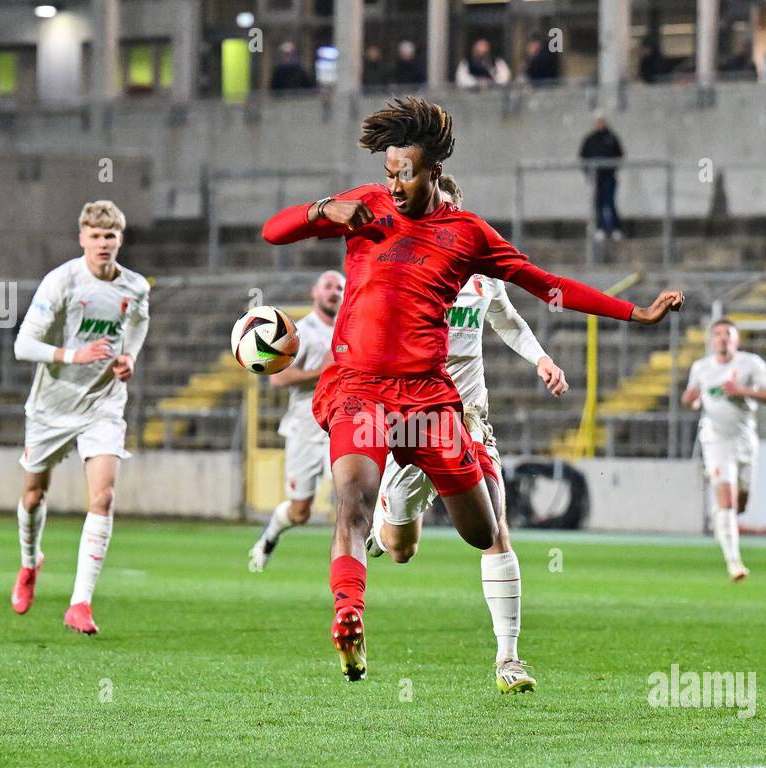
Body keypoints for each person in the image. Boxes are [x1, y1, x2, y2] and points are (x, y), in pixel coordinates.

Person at [261, 96, 683, 681]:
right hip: (359, 389)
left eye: (407, 172)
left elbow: (547, 284)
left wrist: (633, 313)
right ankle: (350, 616)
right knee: (350, 504)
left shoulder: (467, 235)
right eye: (390, 173)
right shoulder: (364, 208)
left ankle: (405, 518)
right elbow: (272, 231)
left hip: (431, 400)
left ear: (435, 171)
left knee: (482, 531)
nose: (396, 184)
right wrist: (320, 211)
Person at [364, 174, 569, 693]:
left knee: (496, 527)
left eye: (449, 211)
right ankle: (385, 518)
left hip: (468, 421)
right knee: (401, 548)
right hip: (414, 420)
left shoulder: (481, 274)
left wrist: (542, 359)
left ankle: (509, 659)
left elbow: (509, 320)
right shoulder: (401, 269)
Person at [10, 201, 151, 635]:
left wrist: (128, 356)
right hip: (52, 404)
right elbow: (23, 346)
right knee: (34, 495)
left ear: (119, 240)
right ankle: (30, 562)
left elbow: (139, 325)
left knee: (103, 498)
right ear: (82, 239)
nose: (103, 244)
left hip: (103, 402)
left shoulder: (135, 286)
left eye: (110, 237)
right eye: (95, 236)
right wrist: (74, 355)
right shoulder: (61, 282)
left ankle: (80, 603)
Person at [248, 270, 343, 571]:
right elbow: (278, 378)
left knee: (349, 491)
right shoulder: (298, 332)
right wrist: (324, 371)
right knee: (300, 511)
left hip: (338, 425)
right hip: (304, 428)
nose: (334, 292)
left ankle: (349, 563)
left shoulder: (349, 330)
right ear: (315, 293)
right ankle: (269, 536)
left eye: (340, 287)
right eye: (328, 286)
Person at [681, 319, 766, 582]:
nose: (723, 339)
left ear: (736, 341)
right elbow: (690, 397)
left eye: (728, 334)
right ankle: (734, 563)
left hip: (745, 439)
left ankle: (722, 518)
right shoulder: (701, 368)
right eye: (718, 334)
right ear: (712, 340)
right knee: (728, 500)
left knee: (741, 503)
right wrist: (692, 401)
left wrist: (743, 391)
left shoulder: (751, 364)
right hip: (715, 439)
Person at [579, 113, 625, 241]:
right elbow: (583, 157)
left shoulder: (611, 138)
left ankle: (616, 228)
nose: (600, 124)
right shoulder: (590, 139)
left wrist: (614, 170)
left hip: (609, 176)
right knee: (598, 203)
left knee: (610, 201)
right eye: (597, 122)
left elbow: (619, 155)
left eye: (601, 121)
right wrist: (588, 175)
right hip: (595, 177)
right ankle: (600, 228)